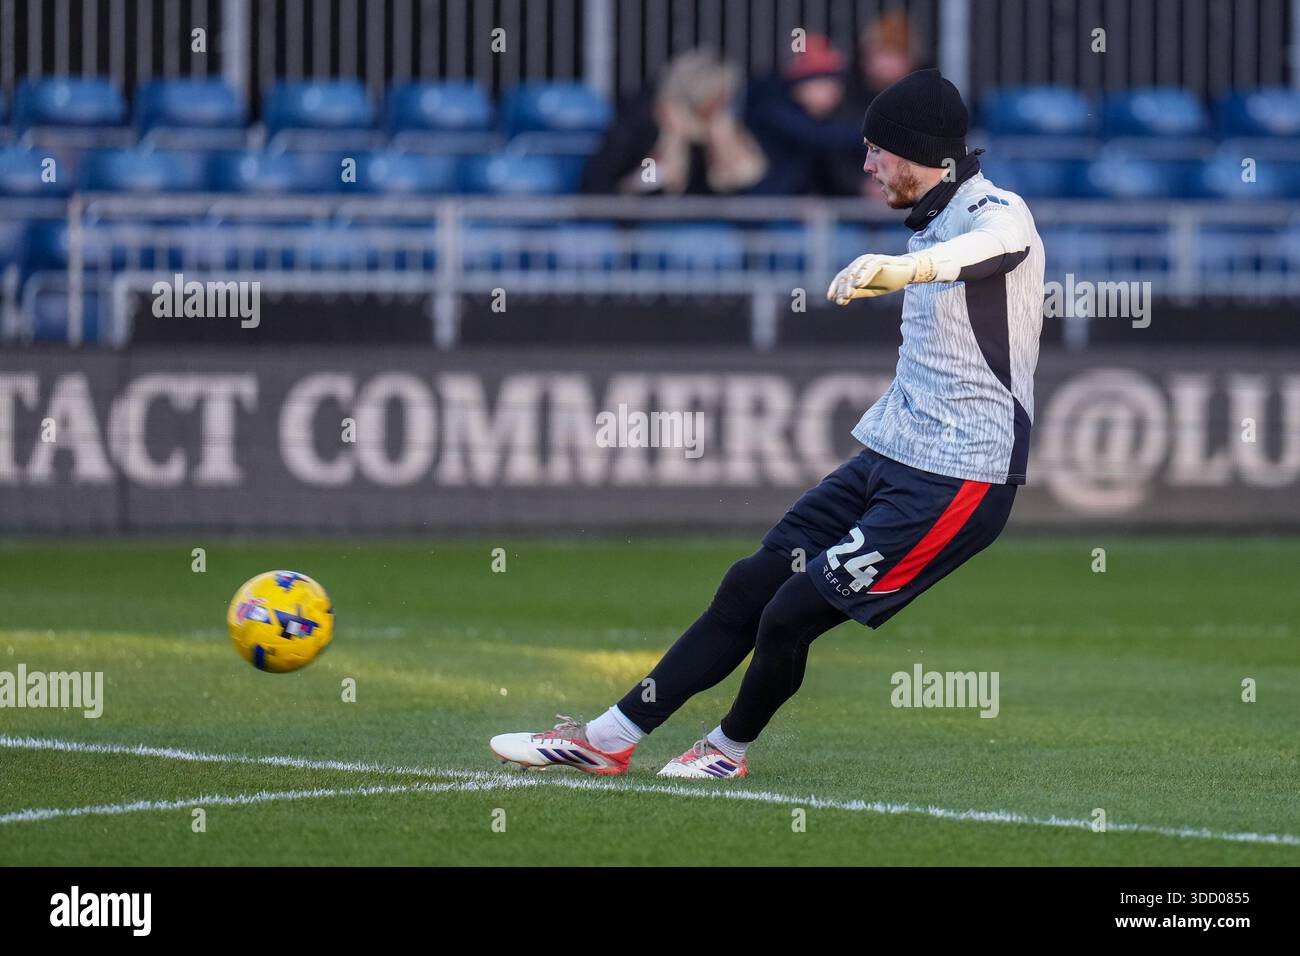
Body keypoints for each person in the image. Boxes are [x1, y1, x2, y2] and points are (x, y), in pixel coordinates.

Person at [492, 69, 1045, 779]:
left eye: (879, 151)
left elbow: (997, 247)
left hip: (960, 477)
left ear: (924, 155)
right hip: (891, 455)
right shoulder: (933, 218)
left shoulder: (996, 210)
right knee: (749, 586)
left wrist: (911, 272)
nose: (868, 164)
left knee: (789, 612)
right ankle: (607, 737)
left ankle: (726, 751)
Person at [580, 49, 766, 196]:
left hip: (704, 226)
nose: (720, 104)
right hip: (642, 222)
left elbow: (745, 181)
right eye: (716, 96)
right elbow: (642, 183)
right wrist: (671, 144)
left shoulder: (723, 124)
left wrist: (722, 142)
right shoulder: (643, 123)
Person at [744, 34, 867, 196]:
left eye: (835, 82)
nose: (833, 91)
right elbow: (820, 136)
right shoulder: (771, 108)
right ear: (798, 85)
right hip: (757, 209)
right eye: (821, 81)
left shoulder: (831, 113)